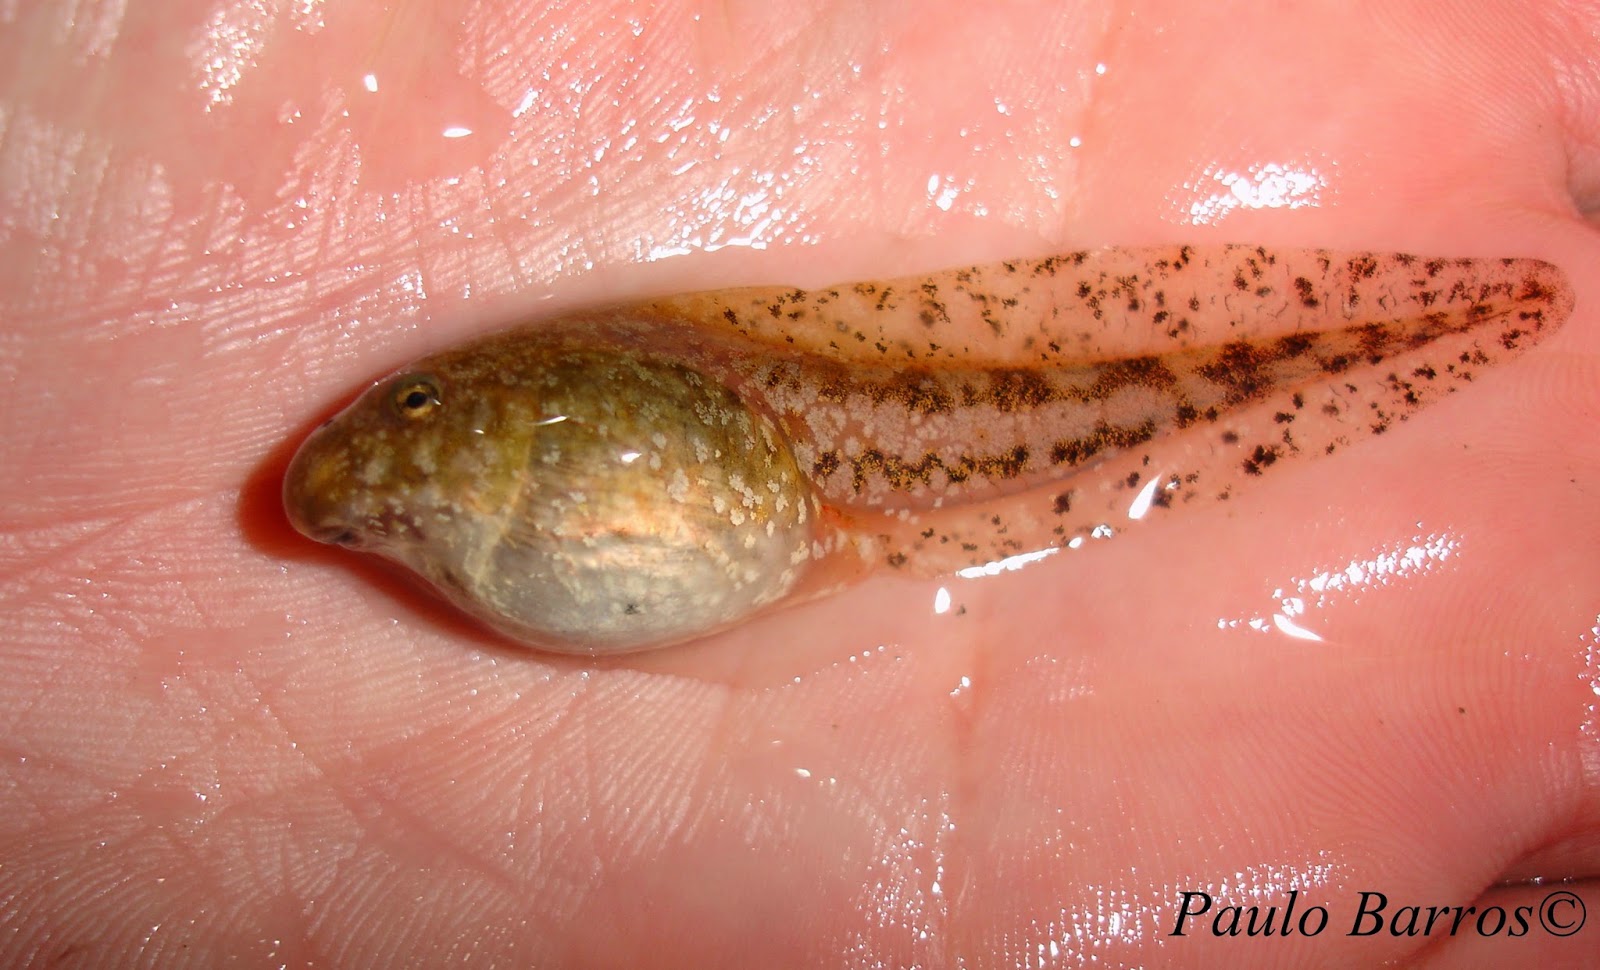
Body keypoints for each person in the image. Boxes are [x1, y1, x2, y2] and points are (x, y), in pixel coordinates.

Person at [3, 1, 1595, 965]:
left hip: (777, 456)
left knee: (1048, 405)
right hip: (772, 475)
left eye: (416, 405)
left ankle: (1448, 324)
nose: (361, 474)